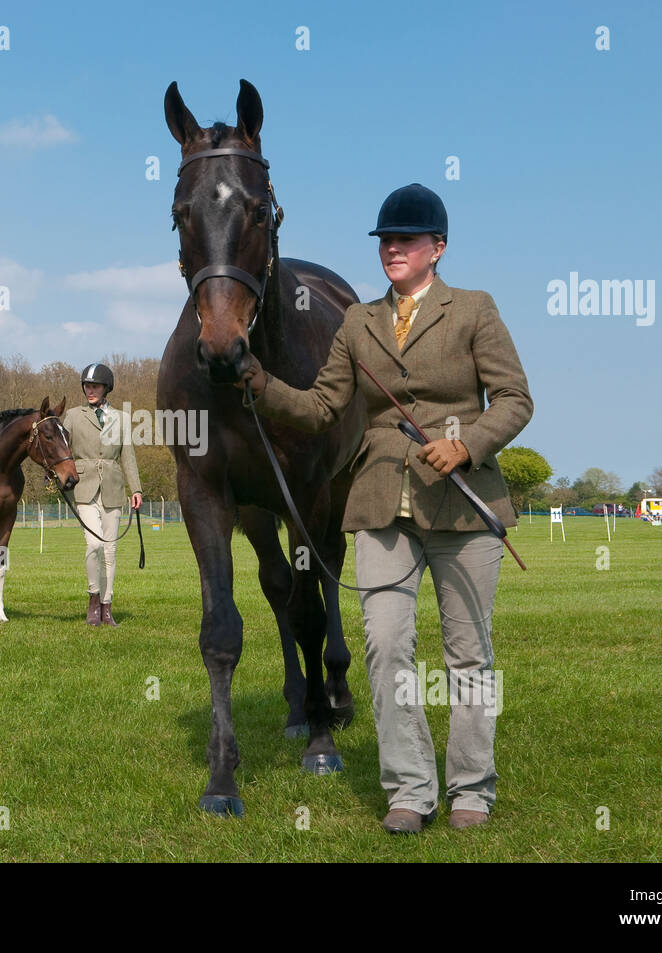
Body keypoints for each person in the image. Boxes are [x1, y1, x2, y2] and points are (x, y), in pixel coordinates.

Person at [237, 183, 533, 834]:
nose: (392, 248)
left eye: (406, 239)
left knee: (468, 655)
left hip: (463, 507)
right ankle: (409, 789)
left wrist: (467, 444)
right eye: (385, 240)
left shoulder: (476, 310)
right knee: (386, 648)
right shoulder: (358, 324)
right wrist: (260, 382)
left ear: (438, 247)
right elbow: (319, 407)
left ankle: (471, 790)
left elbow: (514, 398)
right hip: (379, 506)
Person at [60, 363, 143, 627]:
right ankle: (93, 600)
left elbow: (127, 456)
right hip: (84, 488)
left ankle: (107, 608)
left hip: (113, 488)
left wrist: (136, 489)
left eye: (95, 385)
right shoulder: (73, 416)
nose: (90, 390)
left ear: (107, 388)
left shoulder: (120, 418)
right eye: (87, 385)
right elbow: (60, 450)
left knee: (110, 550)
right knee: (93, 545)